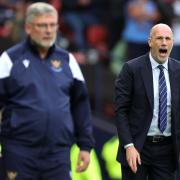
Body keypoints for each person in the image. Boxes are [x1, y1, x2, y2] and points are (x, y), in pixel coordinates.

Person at [0, 2, 94, 180]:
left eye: (52, 25)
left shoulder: (68, 61)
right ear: (28, 27)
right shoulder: (9, 60)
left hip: (58, 155)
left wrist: (85, 146)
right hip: (19, 152)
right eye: (42, 25)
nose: (48, 30)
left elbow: (81, 105)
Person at [114, 23, 180, 180]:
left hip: (167, 150)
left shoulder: (179, 70)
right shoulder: (131, 69)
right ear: (150, 42)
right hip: (137, 148)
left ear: (172, 42)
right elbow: (121, 111)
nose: (164, 43)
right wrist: (128, 146)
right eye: (159, 38)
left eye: (167, 39)